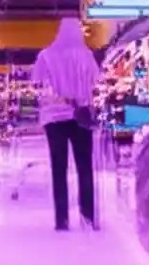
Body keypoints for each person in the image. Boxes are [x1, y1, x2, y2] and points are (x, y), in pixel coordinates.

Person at [32, 16, 101, 231]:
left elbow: (36, 83)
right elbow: (96, 80)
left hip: (54, 118)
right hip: (81, 115)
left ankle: (61, 220)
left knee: (58, 168)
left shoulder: (46, 55)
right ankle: (88, 217)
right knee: (85, 168)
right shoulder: (86, 55)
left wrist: (57, 92)